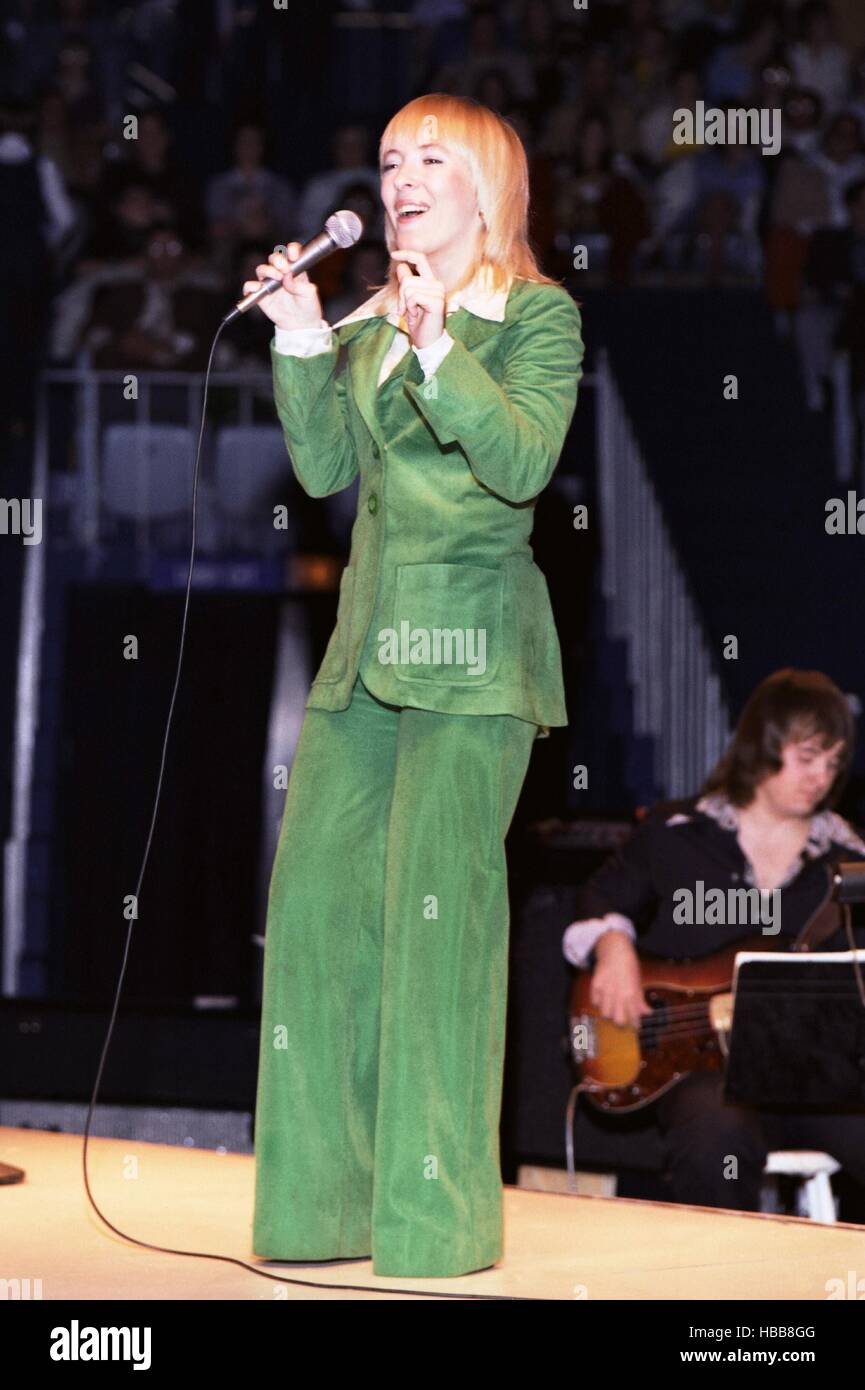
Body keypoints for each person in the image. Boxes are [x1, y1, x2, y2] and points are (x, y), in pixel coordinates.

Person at [248, 92, 584, 1278]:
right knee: (318, 920)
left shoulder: (534, 318)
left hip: (473, 662)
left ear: (488, 185)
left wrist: (440, 342)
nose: (400, 177)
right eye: (389, 158)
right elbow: (327, 465)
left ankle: (432, 1229)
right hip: (361, 660)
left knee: (436, 935)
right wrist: (302, 330)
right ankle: (320, 1213)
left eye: (430, 158)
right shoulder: (373, 319)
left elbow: (520, 462)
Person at [562, 668, 865, 1213]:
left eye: (834, 761)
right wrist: (612, 945)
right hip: (703, 1074)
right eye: (807, 756)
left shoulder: (846, 860)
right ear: (763, 744)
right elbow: (599, 897)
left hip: (813, 1077)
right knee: (714, 1138)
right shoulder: (675, 832)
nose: (821, 776)